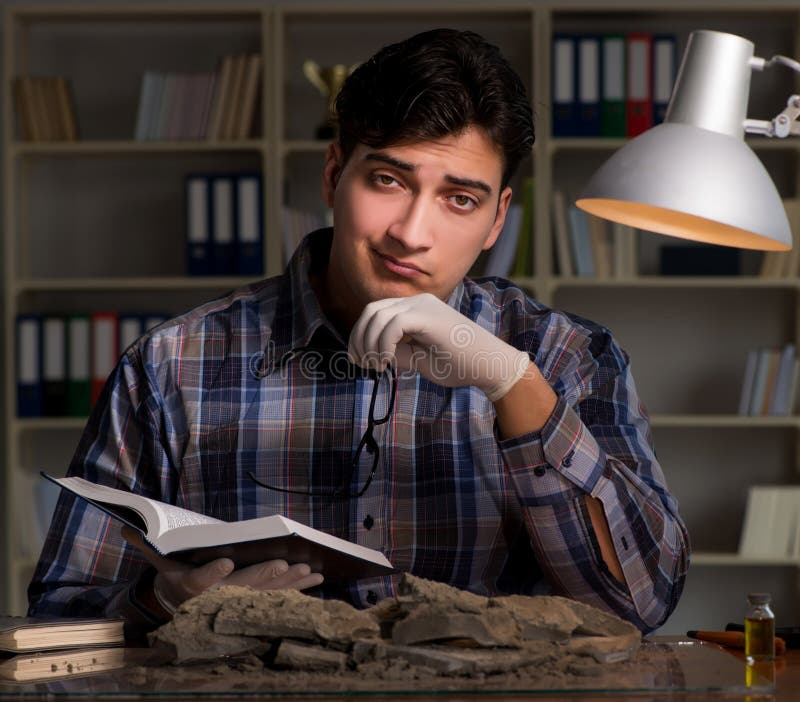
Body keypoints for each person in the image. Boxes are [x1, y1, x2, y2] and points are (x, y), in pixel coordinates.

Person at [28, 28, 689, 639]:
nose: (411, 232)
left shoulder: (570, 358)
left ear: (496, 219)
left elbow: (642, 605)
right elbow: (58, 620)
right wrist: (164, 605)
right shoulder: (172, 364)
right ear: (333, 174)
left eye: (460, 198)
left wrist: (513, 385)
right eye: (388, 180)